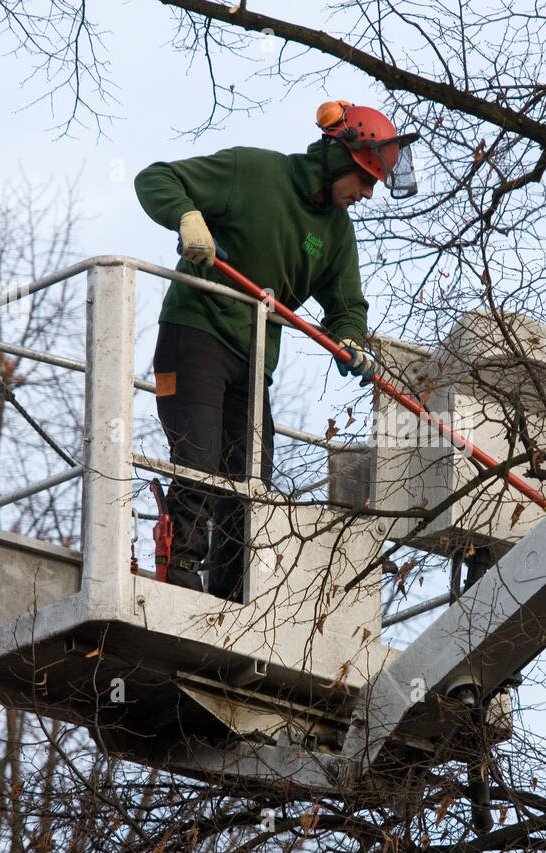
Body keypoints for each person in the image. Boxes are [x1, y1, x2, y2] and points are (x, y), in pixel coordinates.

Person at [134, 101, 418, 599]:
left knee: (251, 487)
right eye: (364, 178)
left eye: (375, 183)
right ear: (336, 159)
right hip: (195, 334)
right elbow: (156, 178)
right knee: (198, 463)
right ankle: (176, 577)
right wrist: (187, 218)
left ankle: (228, 599)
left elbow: (347, 303)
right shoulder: (254, 171)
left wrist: (350, 338)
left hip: (254, 358)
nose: (367, 193)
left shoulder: (335, 232)